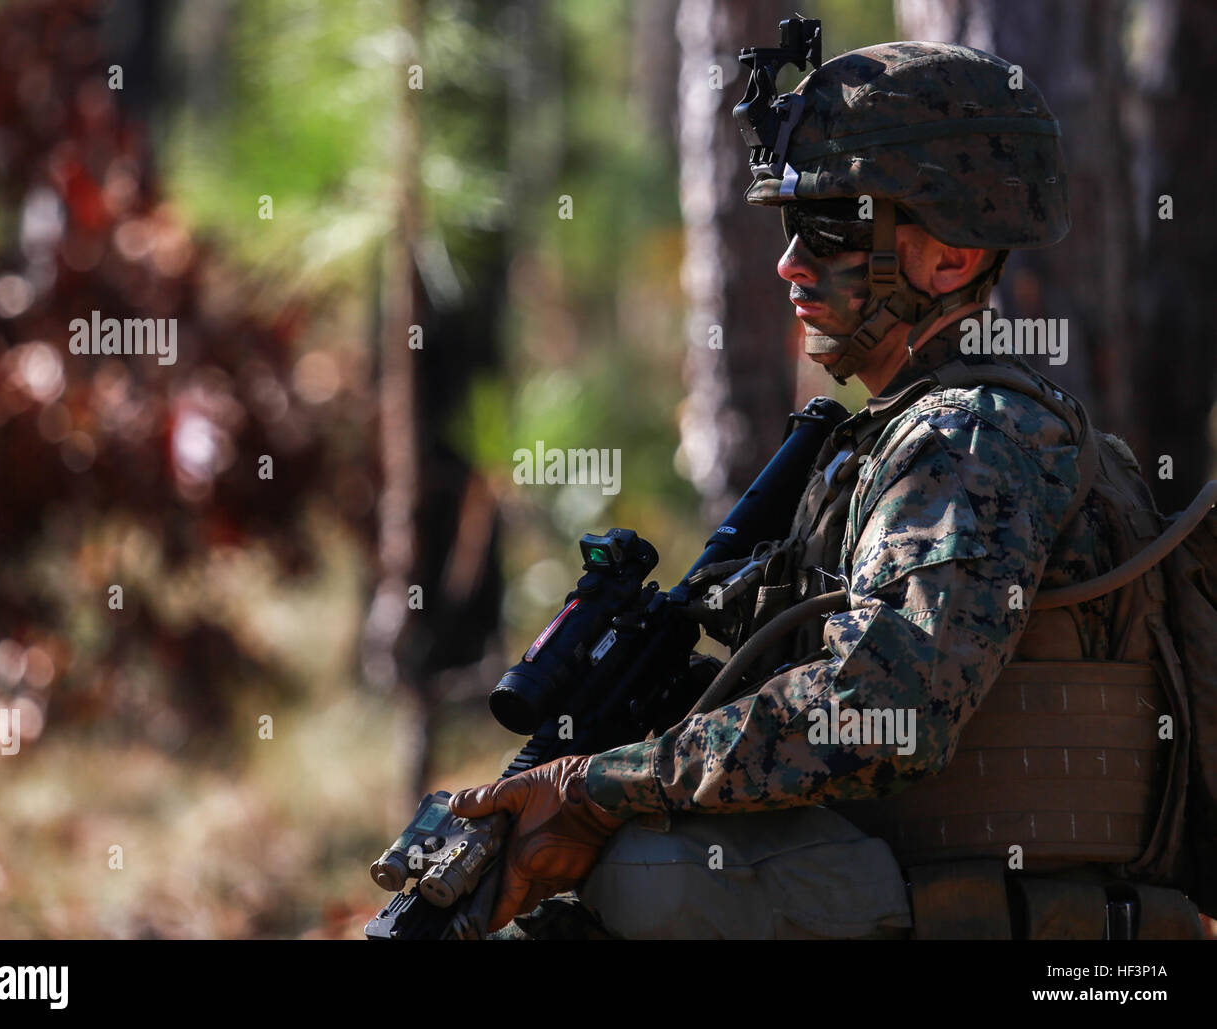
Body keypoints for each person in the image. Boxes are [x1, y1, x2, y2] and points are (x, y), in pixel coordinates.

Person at [449, 39, 1203, 940]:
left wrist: (603, 788)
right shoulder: (933, 433)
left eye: (836, 227)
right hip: (965, 905)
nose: (791, 264)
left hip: (1021, 928)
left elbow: (884, 708)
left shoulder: (966, 439)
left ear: (952, 258)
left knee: (651, 876)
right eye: (790, 226)